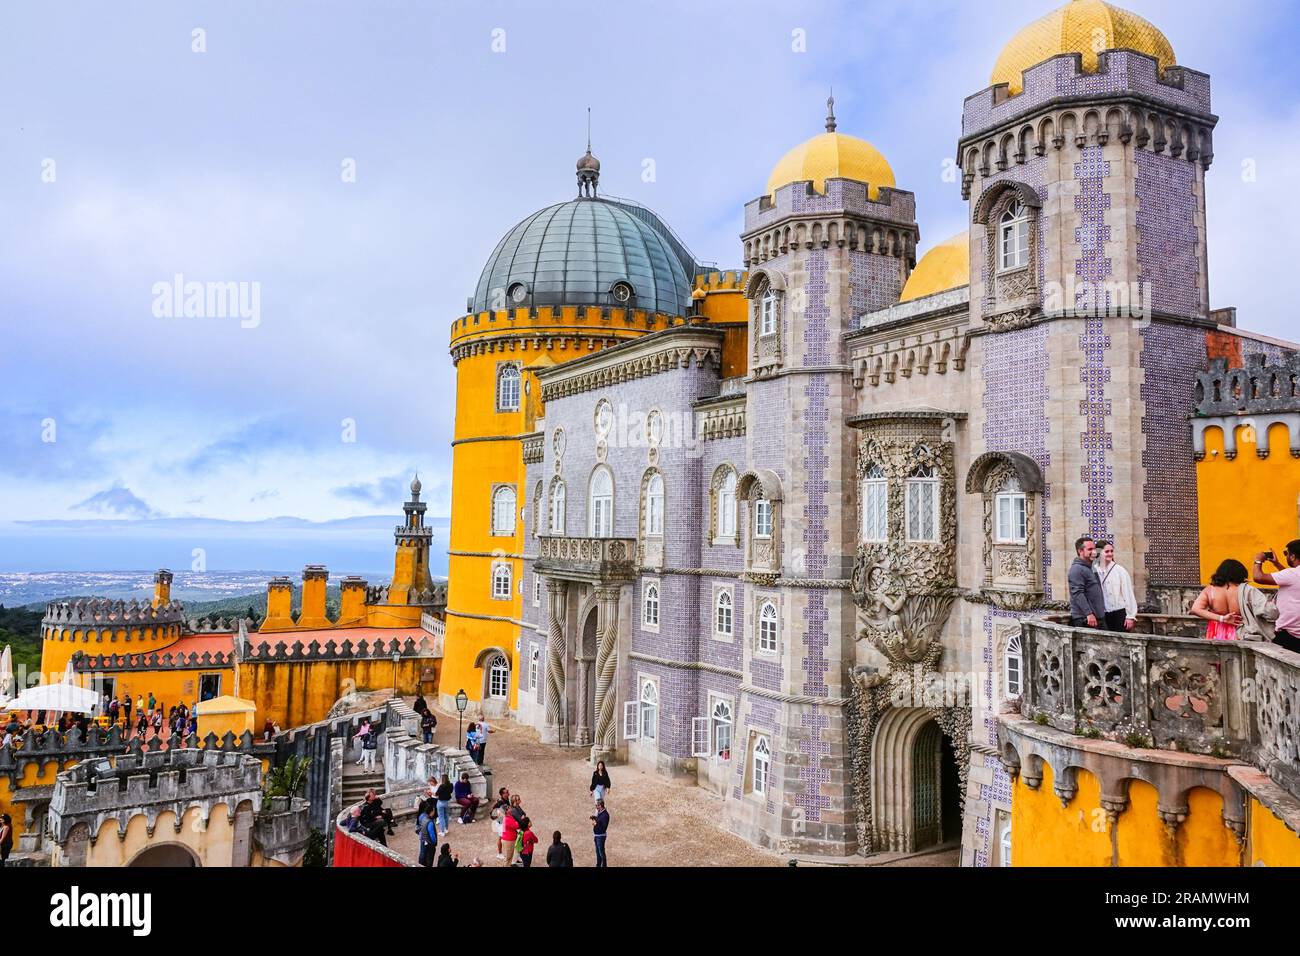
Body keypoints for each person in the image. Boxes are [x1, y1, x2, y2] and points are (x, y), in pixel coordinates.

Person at [1253, 541, 1300, 653]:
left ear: (1293, 556)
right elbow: (1292, 578)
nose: (1286, 556)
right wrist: (1277, 564)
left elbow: (1258, 577)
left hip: (1289, 634)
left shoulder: (1291, 574)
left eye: (1286, 553)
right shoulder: (1292, 574)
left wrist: (1257, 560)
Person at [1192, 559, 1249, 640]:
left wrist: (1221, 618)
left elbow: (1195, 609)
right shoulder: (1244, 590)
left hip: (1216, 631)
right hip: (1240, 631)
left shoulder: (1210, 590)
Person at [1095, 541, 1137, 632]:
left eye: (1111, 551)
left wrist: (1130, 616)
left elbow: (1128, 593)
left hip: (1120, 614)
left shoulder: (1120, 571)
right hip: (1103, 615)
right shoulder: (1095, 571)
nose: (1110, 554)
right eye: (1107, 552)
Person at [1068, 536, 1107, 628]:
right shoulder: (1077, 569)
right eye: (1090, 549)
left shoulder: (1090, 567)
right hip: (1086, 619)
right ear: (1080, 551)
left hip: (1097, 618)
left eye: (1094, 548)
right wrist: (1089, 614)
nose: (1094, 552)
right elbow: (1077, 593)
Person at [500, 795, 523, 865]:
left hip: (509, 839)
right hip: (508, 840)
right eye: (508, 808)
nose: (510, 808)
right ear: (506, 811)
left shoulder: (508, 816)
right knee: (508, 858)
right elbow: (517, 825)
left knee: (509, 857)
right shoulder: (507, 819)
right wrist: (517, 822)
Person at [490, 787, 512, 860]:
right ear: (503, 794)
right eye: (506, 792)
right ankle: (499, 853)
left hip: (501, 820)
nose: (508, 792)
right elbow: (504, 812)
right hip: (500, 821)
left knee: (502, 837)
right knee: (501, 837)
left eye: (508, 791)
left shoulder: (506, 799)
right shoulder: (501, 802)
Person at [591, 799, 610, 868]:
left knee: (601, 853)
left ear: (600, 805)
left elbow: (603, 827)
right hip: (597, 836)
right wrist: (594, 818)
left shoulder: (605, 815)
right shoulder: (600, 812)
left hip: (600, 836)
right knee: (598, 853)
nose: (596, 807)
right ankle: (598, 865)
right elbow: (600, 820)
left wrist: (596, 823)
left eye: (597, 805)